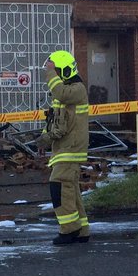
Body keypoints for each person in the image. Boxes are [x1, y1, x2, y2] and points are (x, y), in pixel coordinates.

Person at [39, 50, 91, 245]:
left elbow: (59, 91)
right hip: (63, 148)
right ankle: (82, 229)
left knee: (59, 185)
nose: (54, 76)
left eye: (57, 72)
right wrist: (44, 140)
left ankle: (69, 229)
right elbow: (54, 120)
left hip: (72, 148)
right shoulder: (65, 93)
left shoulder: (77, 89)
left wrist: (50, 72)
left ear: (65, 71)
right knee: (70, 189)